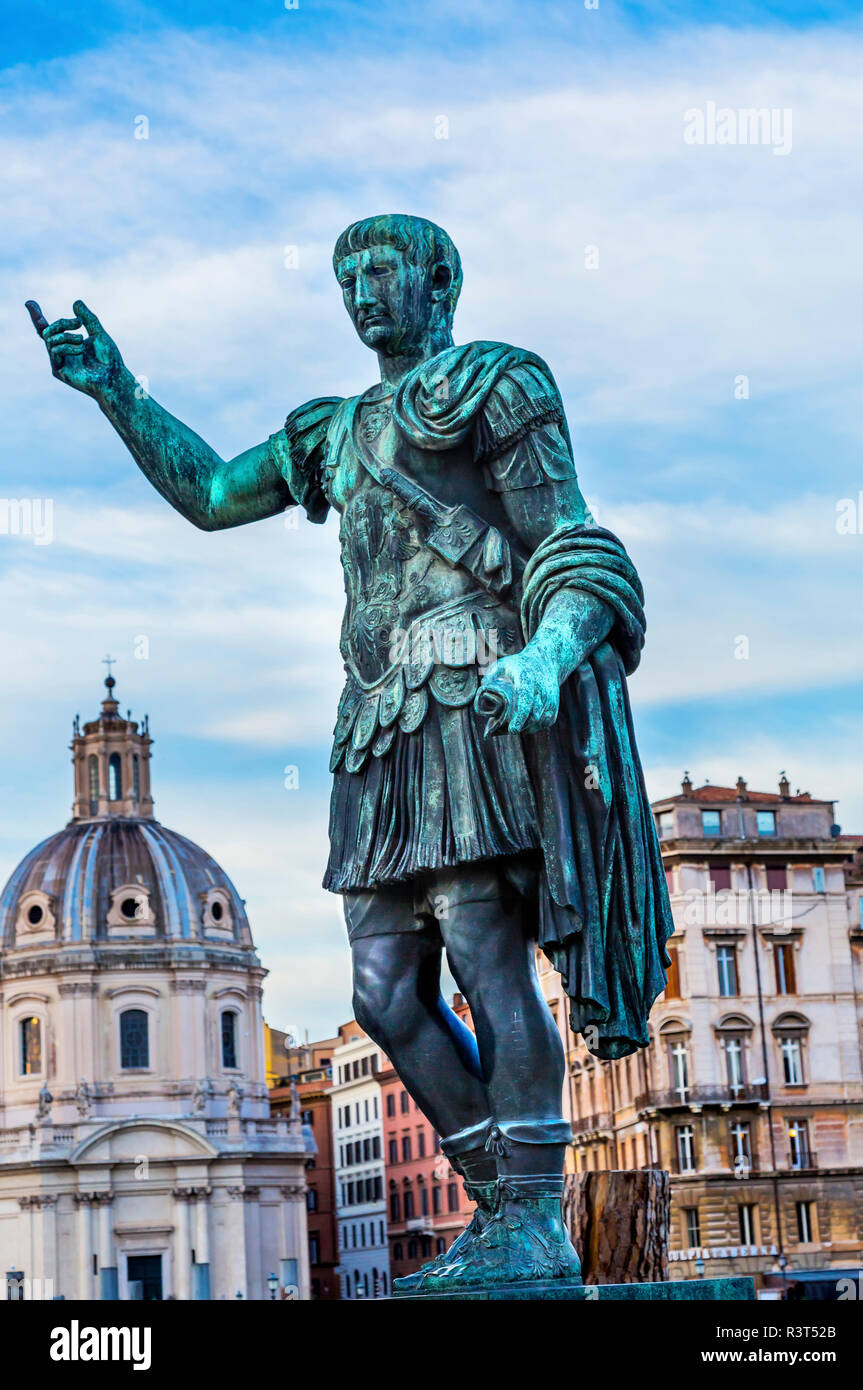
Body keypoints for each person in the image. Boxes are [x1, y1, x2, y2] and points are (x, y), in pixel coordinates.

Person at [28, 214, 672, 1292]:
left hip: (473, 696)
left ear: (441, 279)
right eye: (346, 277)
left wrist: (543, 660)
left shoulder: (496, 384)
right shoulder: (337, 428)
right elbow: (214, 494)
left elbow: (569, 544)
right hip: (376, 723)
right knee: (380, 991)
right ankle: (499, 1203)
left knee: (482, 957)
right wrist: (119, 395)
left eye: (382, 270)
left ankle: (530, 1219)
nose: (363, 291)